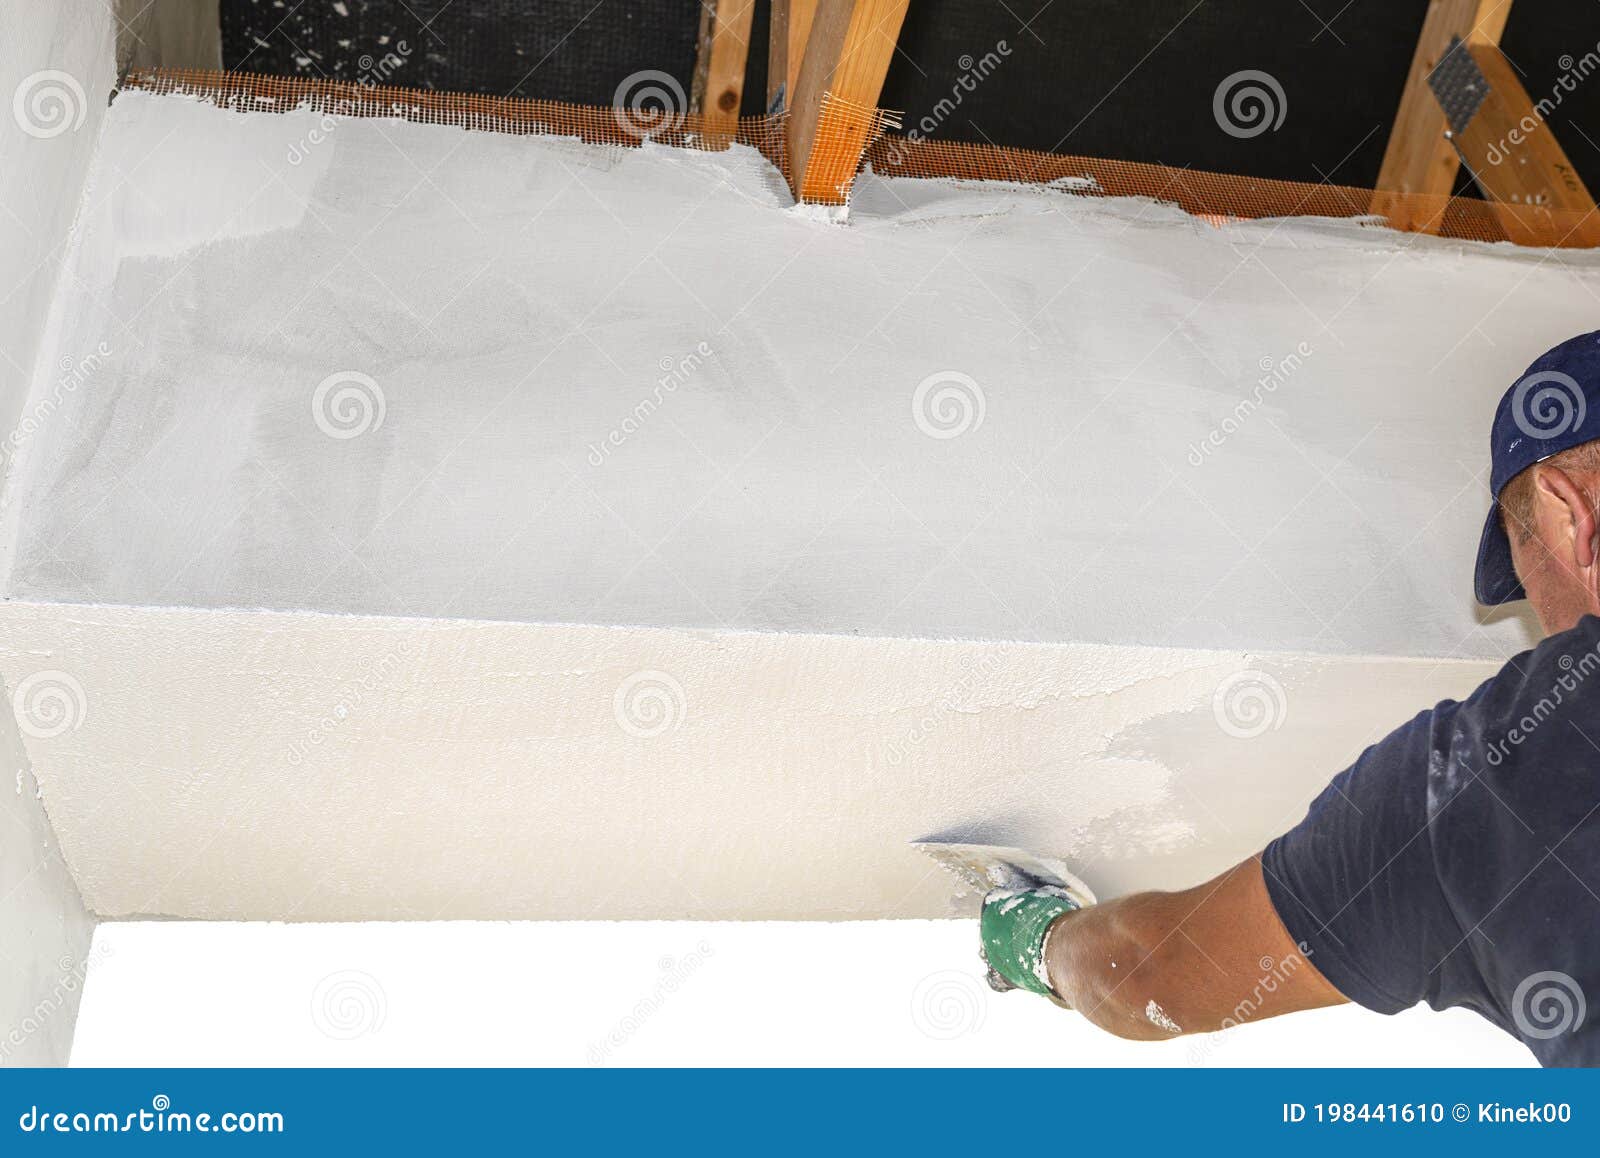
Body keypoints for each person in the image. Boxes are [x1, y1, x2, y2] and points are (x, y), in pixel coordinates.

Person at [981, 332, 1600, 1066]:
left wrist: (1038, 941)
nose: (1541, 620)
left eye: (1528, 571)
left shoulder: (1475, 784)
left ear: (1569, 516)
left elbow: (1157, 975)